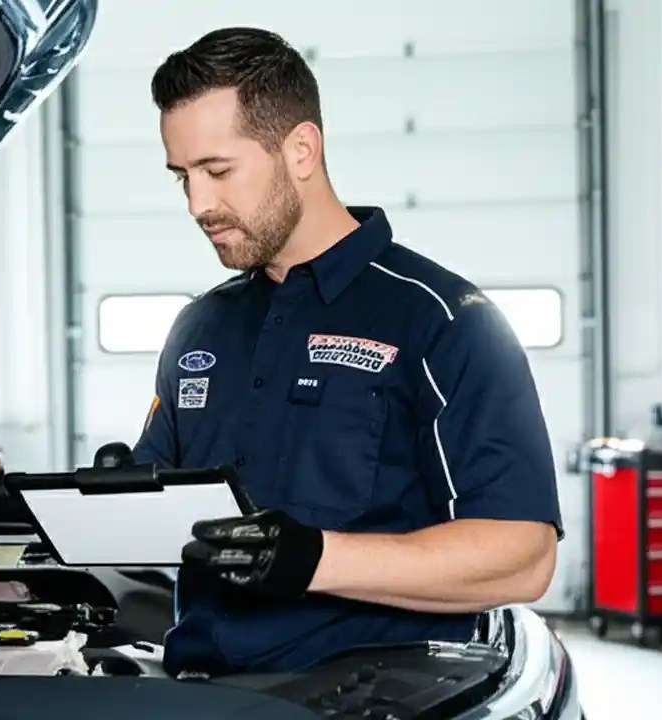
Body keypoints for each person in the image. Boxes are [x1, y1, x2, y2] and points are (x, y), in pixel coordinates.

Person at [131, 27, 564, 678]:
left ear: (302, 149)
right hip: (201, 692)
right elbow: (153, 510)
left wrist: (315, 560)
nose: (199, 204)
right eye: (182, 177)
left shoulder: (444, 321)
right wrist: (36, 526)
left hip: (376, 696)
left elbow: (524, 554)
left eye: (218, 171)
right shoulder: (199, 328)